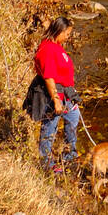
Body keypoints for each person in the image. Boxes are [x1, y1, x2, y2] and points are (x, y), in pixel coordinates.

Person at [33, 17, 81, 172]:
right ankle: (46, 163)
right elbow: (48, 77)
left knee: (73, 120)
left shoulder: (57, 46)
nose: (68, 36)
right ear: (58, 31)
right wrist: (56, 101)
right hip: (54, 97)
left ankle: (69, 155)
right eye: (66, 33)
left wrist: (71, 92)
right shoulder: (47, 49)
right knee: (49, 128)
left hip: (67, 95)